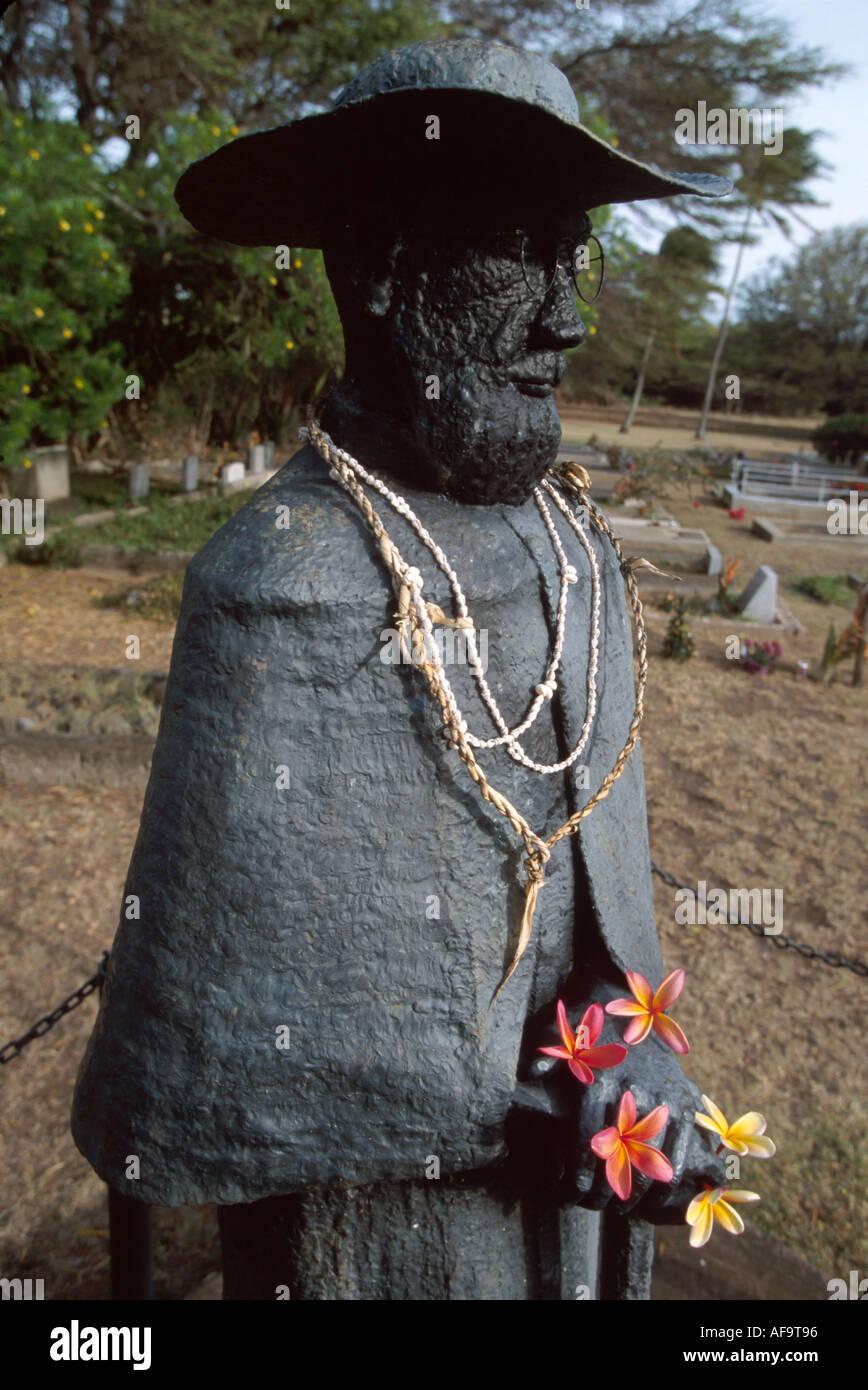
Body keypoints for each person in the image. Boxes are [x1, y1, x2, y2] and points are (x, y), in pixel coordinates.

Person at [72, 38, 731, 1300]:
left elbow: (605, 922)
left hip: (588, 1218)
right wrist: (531, 1109)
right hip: (373, 1243)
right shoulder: (281, 581)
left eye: (573, 255)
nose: (566, 317)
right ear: (379, 268)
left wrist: (630, 1052)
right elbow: (199, 1062)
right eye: (516, 252)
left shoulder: (575, 550)